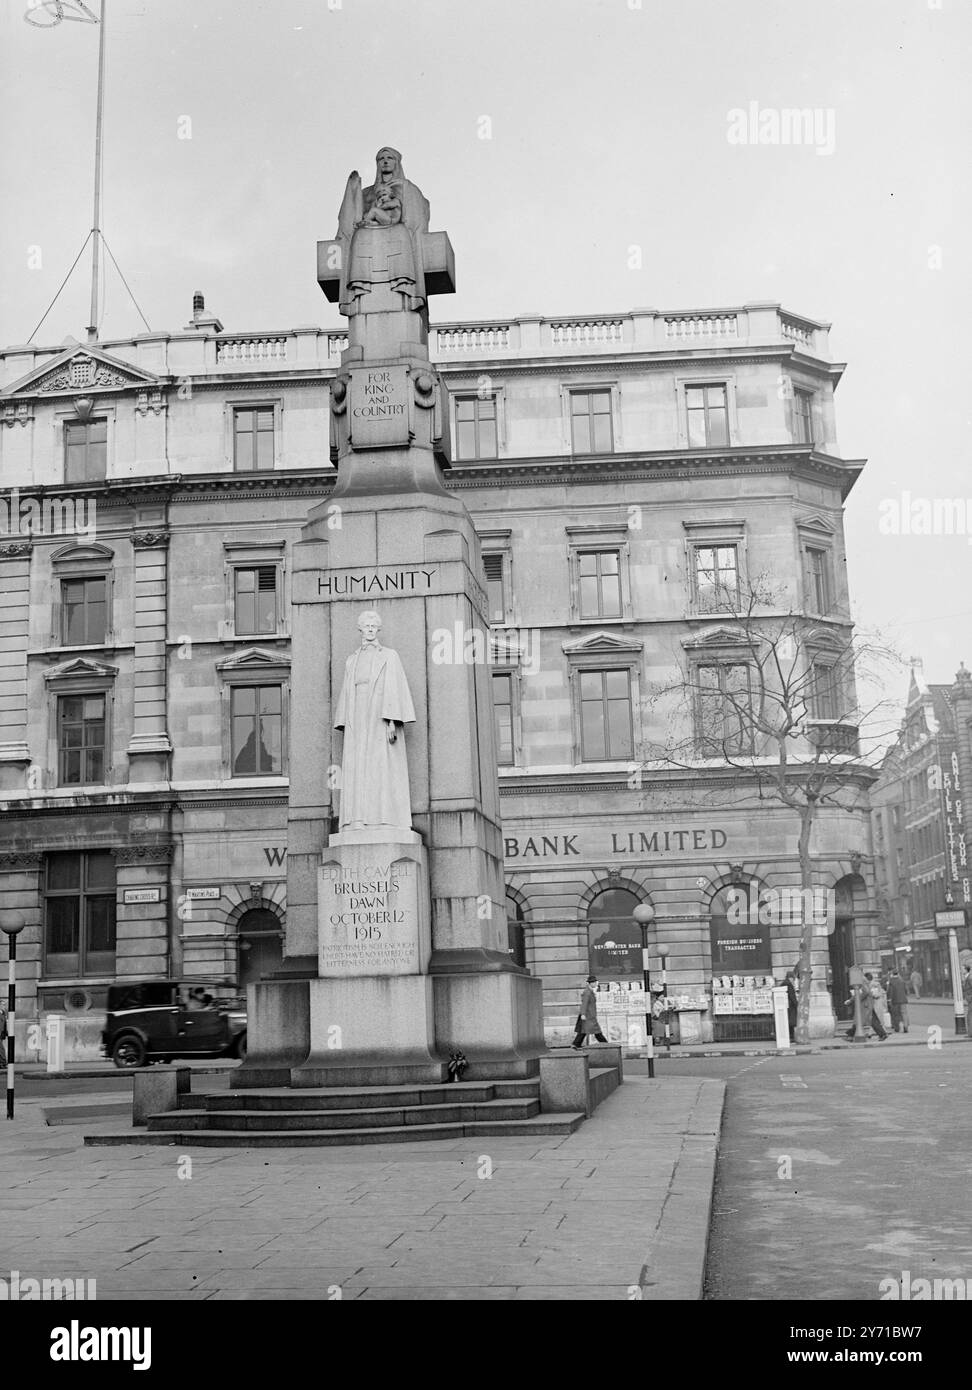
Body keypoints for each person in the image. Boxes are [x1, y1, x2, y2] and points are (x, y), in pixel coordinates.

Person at [334, 611, 416, 832]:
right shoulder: (352, 660)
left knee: (380, 767)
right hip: (357, 714)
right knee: (357, 767)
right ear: (359, 629)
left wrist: (392, 720)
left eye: (373, 626)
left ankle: (384, 819)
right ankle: (356, 819)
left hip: (379, 714)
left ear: (378, 629)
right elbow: (346, 691)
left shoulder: (390, 656)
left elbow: (395, 687)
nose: (370, 629)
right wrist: (345, 720)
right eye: (366, 626)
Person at [845, 975, 887, 1041]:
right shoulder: (862, 979)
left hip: (865, 1004)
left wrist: (857, 999)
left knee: (860, 1019)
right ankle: (882, 1034)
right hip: (867, 1003)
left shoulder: (860, 979)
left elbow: (866, 992)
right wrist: (851, 1000)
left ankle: (850, 1035)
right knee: (871, 1020)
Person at [572, 975, 607, 1048]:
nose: (595, 984)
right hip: (588, 1015)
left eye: (595, 982)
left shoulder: (589, 991)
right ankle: (606, 1044)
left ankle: (576, 1044)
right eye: (593, 982)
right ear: (590, 983)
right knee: (596, 1031)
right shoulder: (587, 992)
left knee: (584, 1031)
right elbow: (584, 1003)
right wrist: (583, 1014)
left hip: (590, 1015)